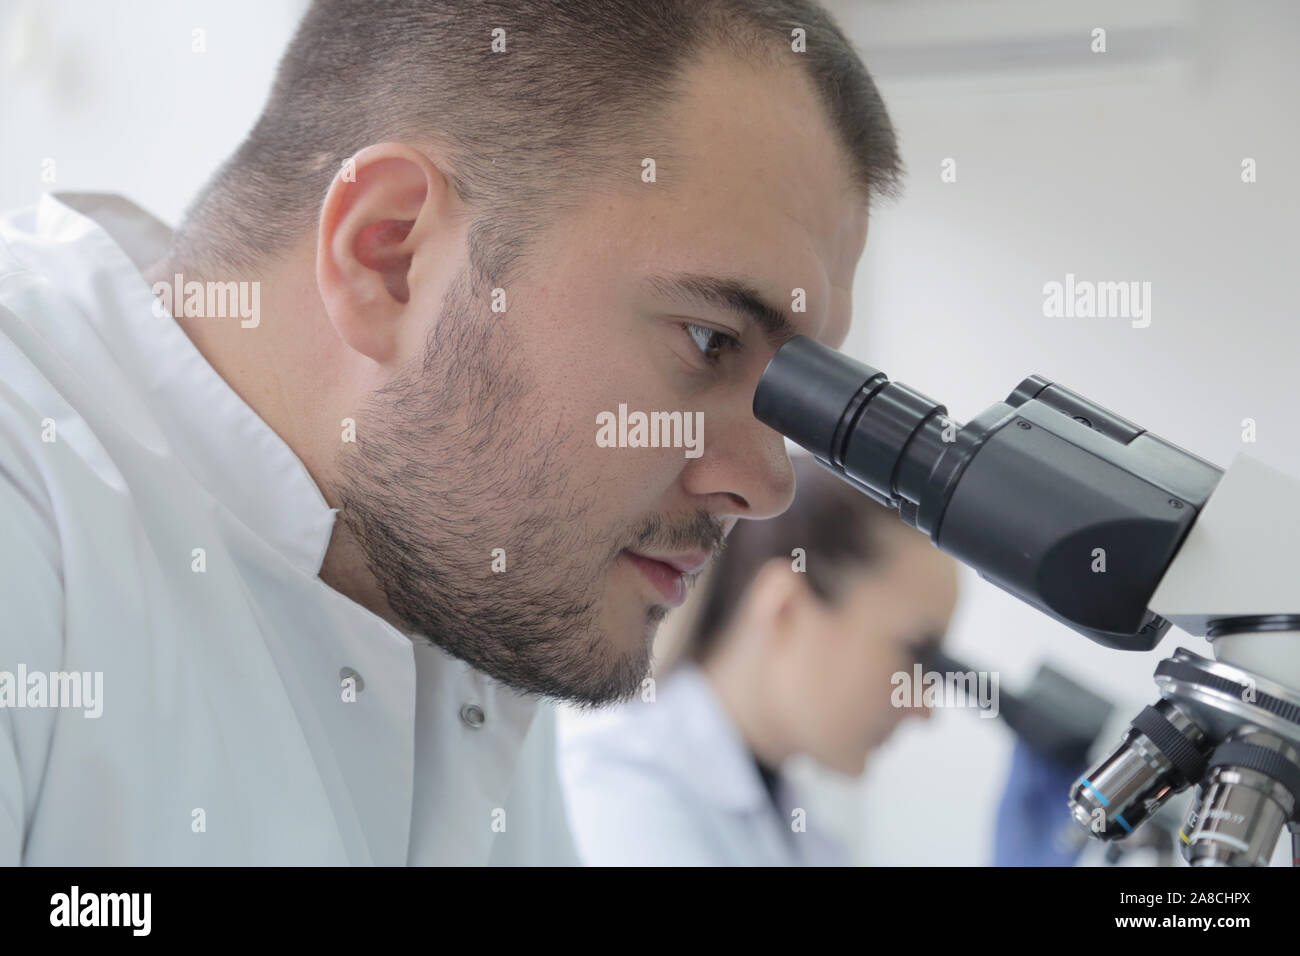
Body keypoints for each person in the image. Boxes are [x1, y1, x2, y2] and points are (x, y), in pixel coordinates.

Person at [0, 1, 902, 864]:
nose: (768, 483)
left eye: (790, 388)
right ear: (389, 256)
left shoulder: (470, 564)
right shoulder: (30, 484)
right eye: (710, 341)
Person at [559, 453, 961, 865]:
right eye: (914, 654)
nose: (923, 708)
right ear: (784, 608)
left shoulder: (801, 824)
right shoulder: (622, 789)